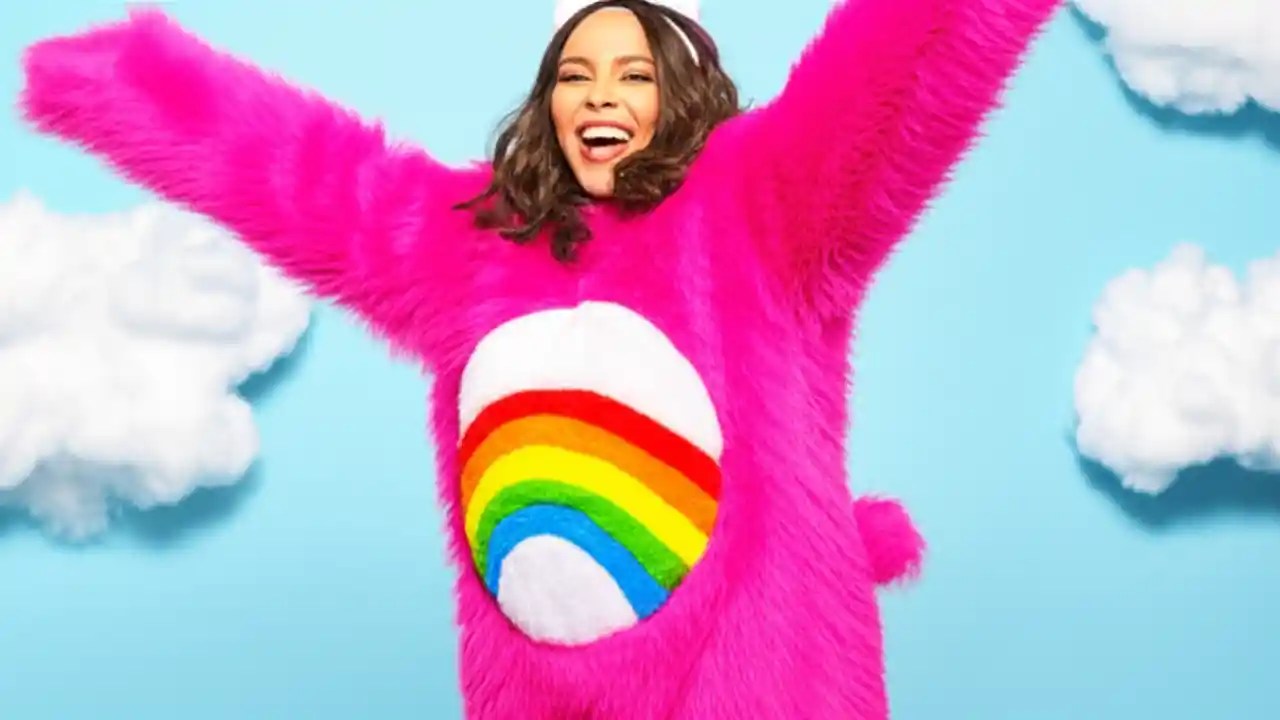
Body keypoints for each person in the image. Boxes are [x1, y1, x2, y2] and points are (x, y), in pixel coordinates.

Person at [18, 0, 1061, 716]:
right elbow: (307, 174)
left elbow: (884, 80)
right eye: (575, 73)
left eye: (633, 73)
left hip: (749, 674)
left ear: (686, 89)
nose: (599, 96)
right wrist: (136, 82)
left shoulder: (764, 205)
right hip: (533, 691)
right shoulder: (471, 236)